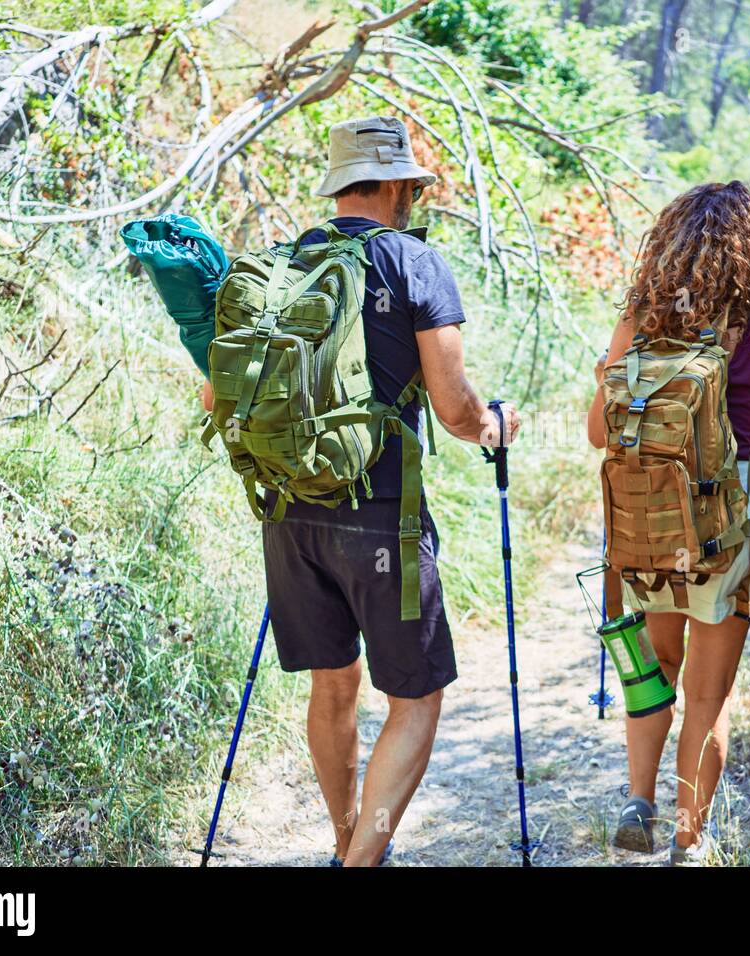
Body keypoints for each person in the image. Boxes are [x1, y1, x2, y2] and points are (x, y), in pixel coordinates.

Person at [201, 116, 520, 866]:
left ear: (340, 186)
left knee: (332, 684)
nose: (412, 196)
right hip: (380, 518)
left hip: (285, 511)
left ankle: (349, 841)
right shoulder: (413, 261)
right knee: (415, 699)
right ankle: (361, 860)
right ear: (395, 186)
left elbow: (222, 392)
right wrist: (498, 425)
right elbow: (456, 410)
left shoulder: (284, 263)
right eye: (409, 185)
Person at [586, 181, 750, 864]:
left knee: (654, 667)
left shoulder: (640, 321)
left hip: (647, 524)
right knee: (706, 697)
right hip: (725, 533)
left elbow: (600, 431)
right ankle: (690, 840)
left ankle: (637, 800)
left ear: (671, 247)